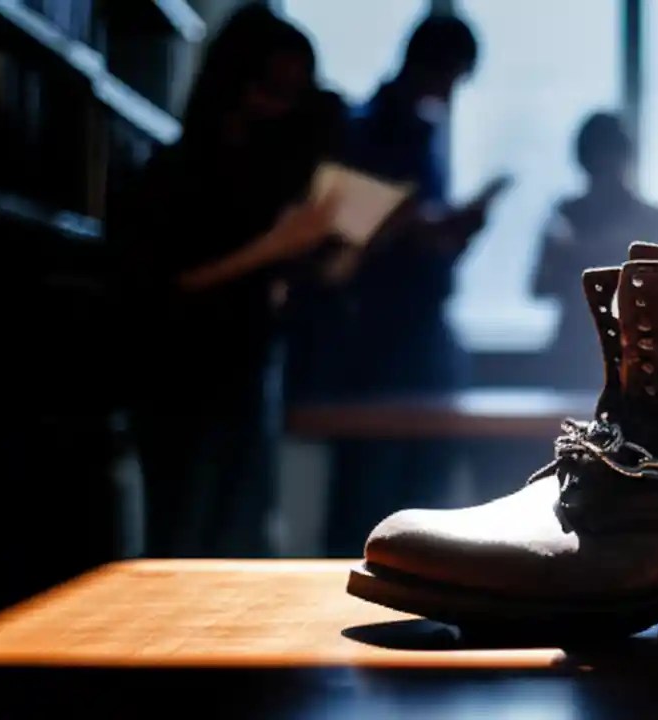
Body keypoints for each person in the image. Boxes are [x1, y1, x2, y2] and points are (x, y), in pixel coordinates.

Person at [112, 3, 339, 557]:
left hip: (252, 372)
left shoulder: (268, 167)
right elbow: (164, 284)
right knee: (185, 536)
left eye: (293, 92)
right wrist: (274, 247)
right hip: (183, 380)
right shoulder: (175, 170)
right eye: (271, 87)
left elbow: (288, 281)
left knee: (245, 538)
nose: (278, 105)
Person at [313, 15, 511, 556]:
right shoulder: (365, 128)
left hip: (421, 328)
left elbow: (417, 234)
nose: (453, 92)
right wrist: (415, 225)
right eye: (453, 76)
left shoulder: (419, 132)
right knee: (371, 497)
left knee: (424, 494)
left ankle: (420, 594)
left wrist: (453, 229)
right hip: (378, 335)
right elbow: (345, 232)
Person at [533, 112, 658, 389]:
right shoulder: (565, 217)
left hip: (631, 355)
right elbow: (539, 284)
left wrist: (578, 254)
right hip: (581, 356)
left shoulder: (568, 220)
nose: (603, 166)